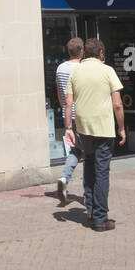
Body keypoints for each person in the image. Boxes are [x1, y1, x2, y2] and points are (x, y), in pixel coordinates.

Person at [64, 38, 125, 232]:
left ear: (85, 53)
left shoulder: (76, 72)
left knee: (89, 165)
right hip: (104, 128)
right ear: (100, 53)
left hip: (83, 127)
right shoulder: (107, 71)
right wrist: (122, 128)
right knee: (102, 171)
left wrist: (68, 128)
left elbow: (68, 103)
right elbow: (117, 103)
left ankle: (90, 211)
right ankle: (100, 218)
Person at [54, 37, 84, 204]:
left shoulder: (60, 68)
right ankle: (90, 194)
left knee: (75, 151)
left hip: (69, 115)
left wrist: (65, 110)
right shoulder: (81, 68)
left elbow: (60, 93)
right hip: (82, 115)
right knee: (89, 154)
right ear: (81, 51)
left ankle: (64, 178)